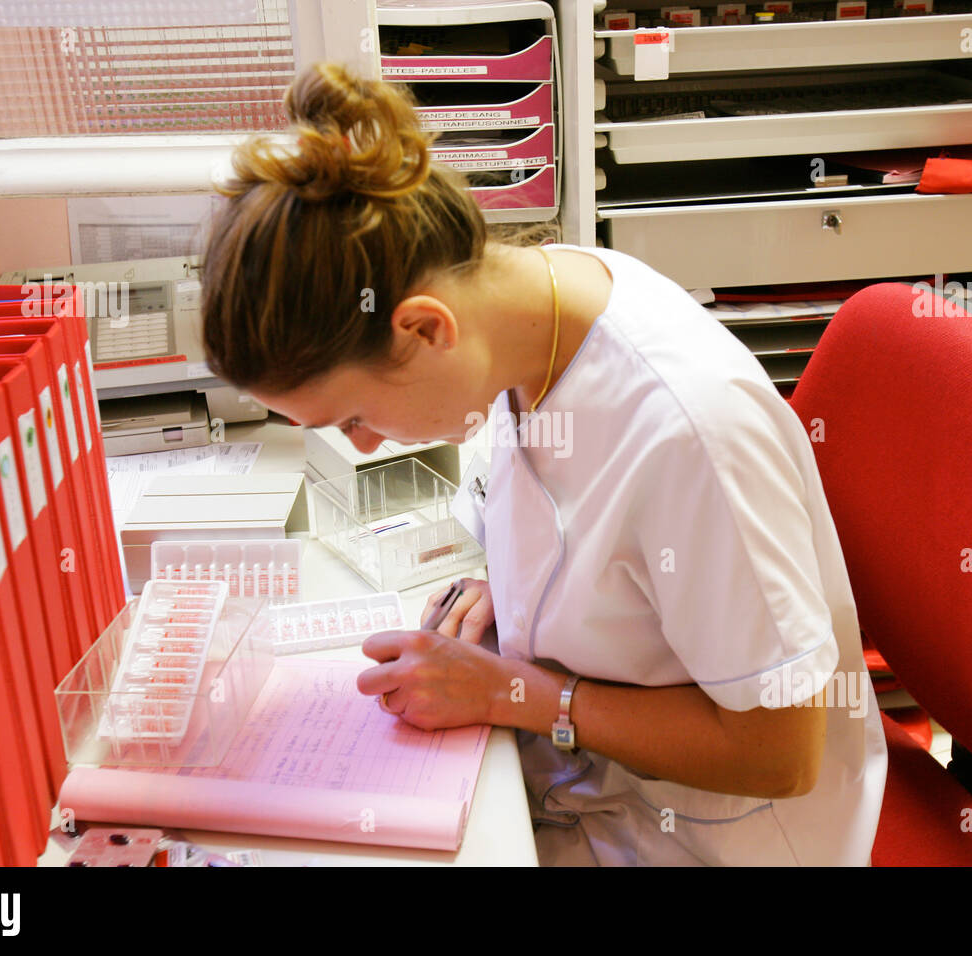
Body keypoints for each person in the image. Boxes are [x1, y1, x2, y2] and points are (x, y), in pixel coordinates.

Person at [199, 62, 887, 866]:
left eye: (354, 417)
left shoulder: (688, 430)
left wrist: (517, 694)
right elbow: (576, 525)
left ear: (425, 330)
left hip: (710, 837)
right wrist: (520, 590)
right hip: (584, 783)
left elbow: (782, 754)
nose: (362, 446)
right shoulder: (529, 309)